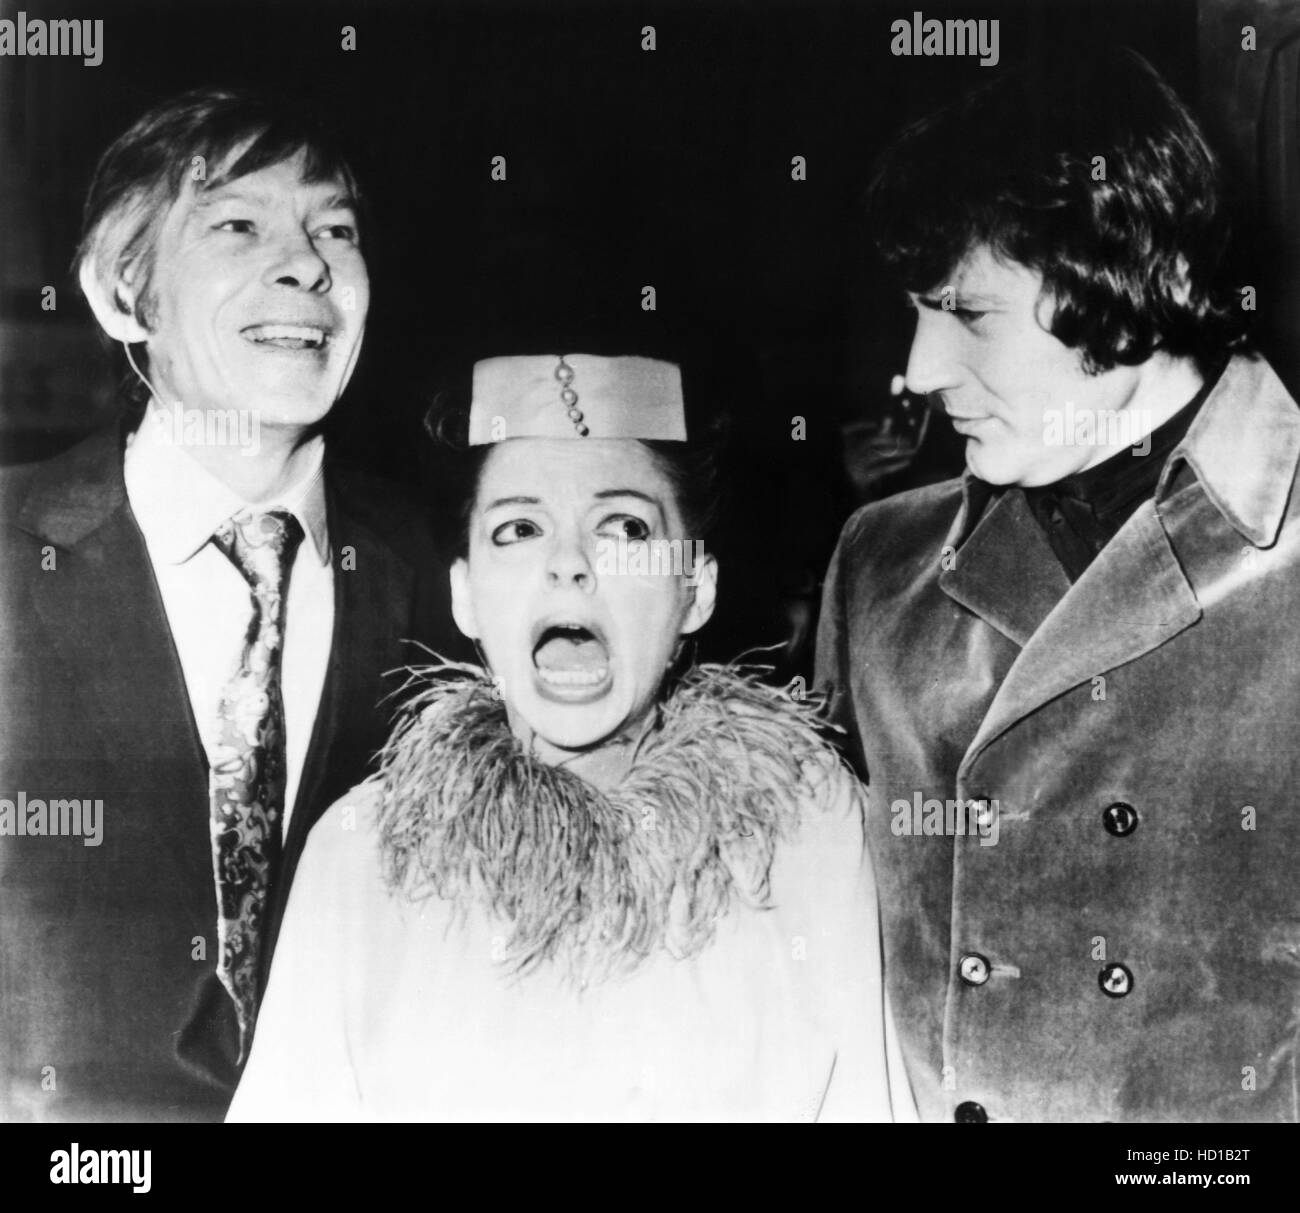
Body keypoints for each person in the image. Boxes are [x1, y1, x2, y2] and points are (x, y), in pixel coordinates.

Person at [815, 47, 1300, 1123]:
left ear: (1121, 278)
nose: (920, 368)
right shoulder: (880, 566)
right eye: (917, 311)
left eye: (969, 314)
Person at [229, 351, 899, 1121]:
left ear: (696, 589)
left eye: (623, 526)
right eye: (519, 527)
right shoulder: (360, 852)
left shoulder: (811, 828)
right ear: (465, 593)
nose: (570, 565)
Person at [0, 88, 461, 1121]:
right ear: (126, 296)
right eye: (238, 224)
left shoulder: (450, 580)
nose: (307, 264)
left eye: (334, 227)